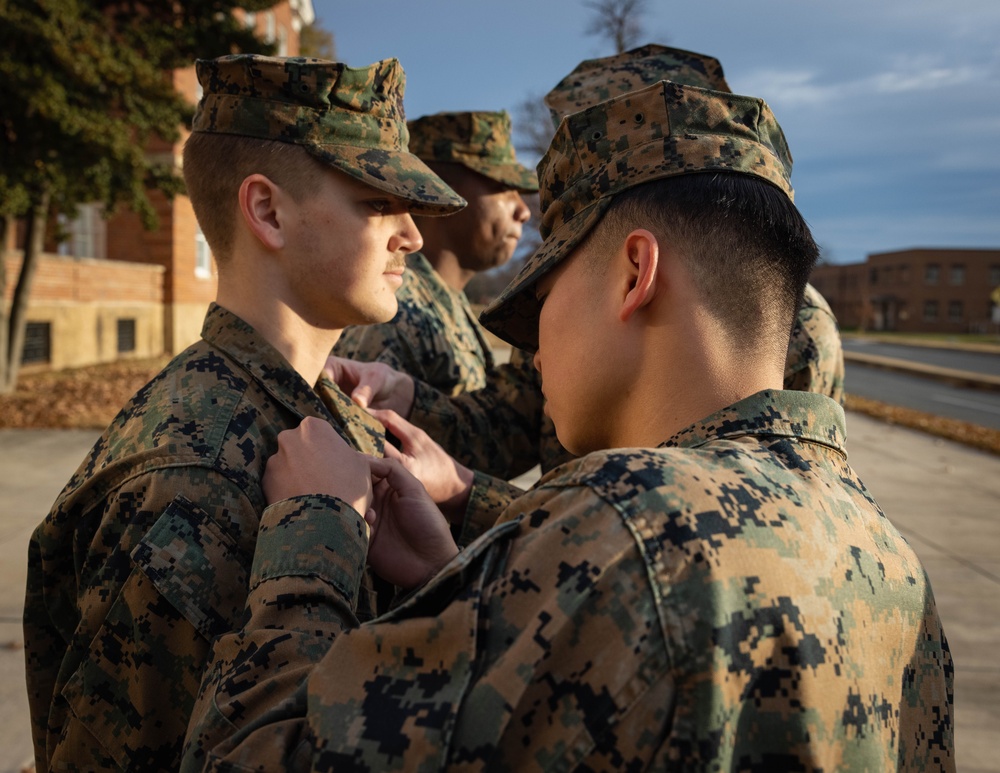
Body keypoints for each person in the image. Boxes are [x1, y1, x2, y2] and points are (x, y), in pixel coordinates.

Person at [181, 79, 954, 771]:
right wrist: (464, 569)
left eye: (541, 297)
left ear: (632, 273)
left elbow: (246, 755)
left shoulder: (623, 521)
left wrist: (309, 534)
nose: (534, 348)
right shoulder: (888, 561)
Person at [21, 53, 468, 773]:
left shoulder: (328, 419)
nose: (412, 236)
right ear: (267, 211)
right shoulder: (189, 479)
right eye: (376, 202)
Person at [329, 44, 845, 481]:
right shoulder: (579, 295)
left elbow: (750, 529)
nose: (575, 160)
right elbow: (511, 425)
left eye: (607, 133)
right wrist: (414, 407)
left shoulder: (784, 323)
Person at [334, 110, 535, 396]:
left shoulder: (445, 303)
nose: (523, 210)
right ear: (437, 190)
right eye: (503, 187)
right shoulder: (393, 315)